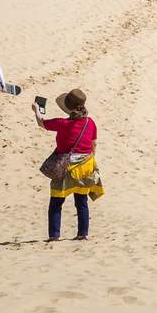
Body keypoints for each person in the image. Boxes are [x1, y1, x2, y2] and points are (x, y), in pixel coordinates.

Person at [34, 89, 102, 241]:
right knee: (81, 202)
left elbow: (41, 122)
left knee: (56, 201)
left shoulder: (63, 123)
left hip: (66, 166)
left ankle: (54, 235)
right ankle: (82, 234)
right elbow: (94, 144)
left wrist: (36, 110)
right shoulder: (90, 122)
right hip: (85, 165)